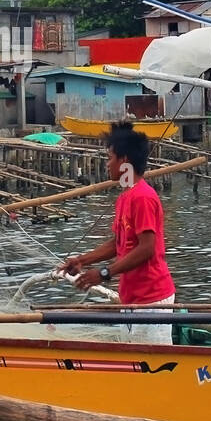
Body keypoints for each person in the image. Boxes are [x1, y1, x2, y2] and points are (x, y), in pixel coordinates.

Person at [62, 122, 176, 345]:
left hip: (151, 300)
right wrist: (82, 261)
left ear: (124, 161)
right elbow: (119, 243)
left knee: (153, 367)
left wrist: (104, 273)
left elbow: (146, 248)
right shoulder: (125, 197)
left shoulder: (143, 197)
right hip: (131, 299)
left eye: (110, 158)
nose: (107, 165)